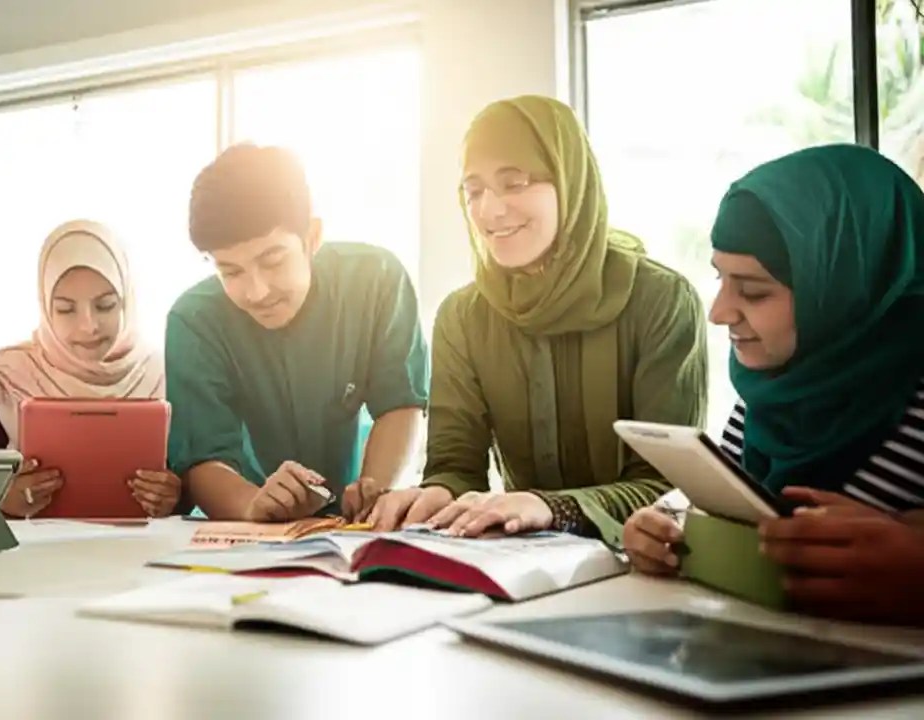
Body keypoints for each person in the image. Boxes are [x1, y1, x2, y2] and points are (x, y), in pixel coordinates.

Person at [367, 95, 708, 544]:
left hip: (642, 570)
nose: (489, 210)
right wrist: (434, 494)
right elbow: (456, 466)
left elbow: (668, 487)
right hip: (523, 568)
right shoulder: (462, 317)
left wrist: (554, 507)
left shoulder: (661, 300)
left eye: (514, 183)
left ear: (569, 182)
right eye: (474, 191)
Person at [623, 144, 924, 625]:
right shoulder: (772, 391)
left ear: (842, 282)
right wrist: (664, 526)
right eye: (720, 279)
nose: (718, 313)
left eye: (754, 291)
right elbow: (735, 503)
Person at [166, 144, 429, 522]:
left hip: (353, 521)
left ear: (312, 237)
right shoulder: (193, 320)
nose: (256, 292)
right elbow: (203, 457)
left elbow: (400, 402)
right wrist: (251, 506)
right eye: (231, 272)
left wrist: (375, 488)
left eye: (272, 260)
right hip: (243, 523)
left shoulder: (378, 280)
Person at [0, 220, 177, 518]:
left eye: (106, 306)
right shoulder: (1, 380)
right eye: (66, 309)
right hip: (27, 558)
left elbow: (193, 485)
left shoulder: (166, 373)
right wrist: (2, 501)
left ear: (127, 300)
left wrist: (175, 496)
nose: (88, 326)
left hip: (138, 555)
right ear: (45, 306)